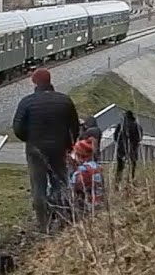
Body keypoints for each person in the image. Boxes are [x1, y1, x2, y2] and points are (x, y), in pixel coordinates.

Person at [11, 67, 80, 230]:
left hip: (36, 150)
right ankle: (64, 218)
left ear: (34, 82)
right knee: (61, 183)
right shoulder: (65, 100)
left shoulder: (27, 102)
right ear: (50, 81)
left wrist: (29, 140)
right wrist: (69, 146)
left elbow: (17, 128)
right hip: (58, 149)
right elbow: (74, 127)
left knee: (38, 186)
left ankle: (44, 224)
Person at [70, 139, 106, 215]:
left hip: (87, 207)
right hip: (99, 203)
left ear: (79, 155)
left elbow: (72, 187)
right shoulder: (96, 166)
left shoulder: (83, 170)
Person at [113, 110, 142, 180]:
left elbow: (115, 137)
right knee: (132, 167)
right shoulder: (137, 126)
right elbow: (140, 137)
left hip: (121, 150)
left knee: (120, 168)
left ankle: (117, 183)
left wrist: (120, 143)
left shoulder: (121, 125)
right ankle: (130, 181)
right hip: (133, 150)